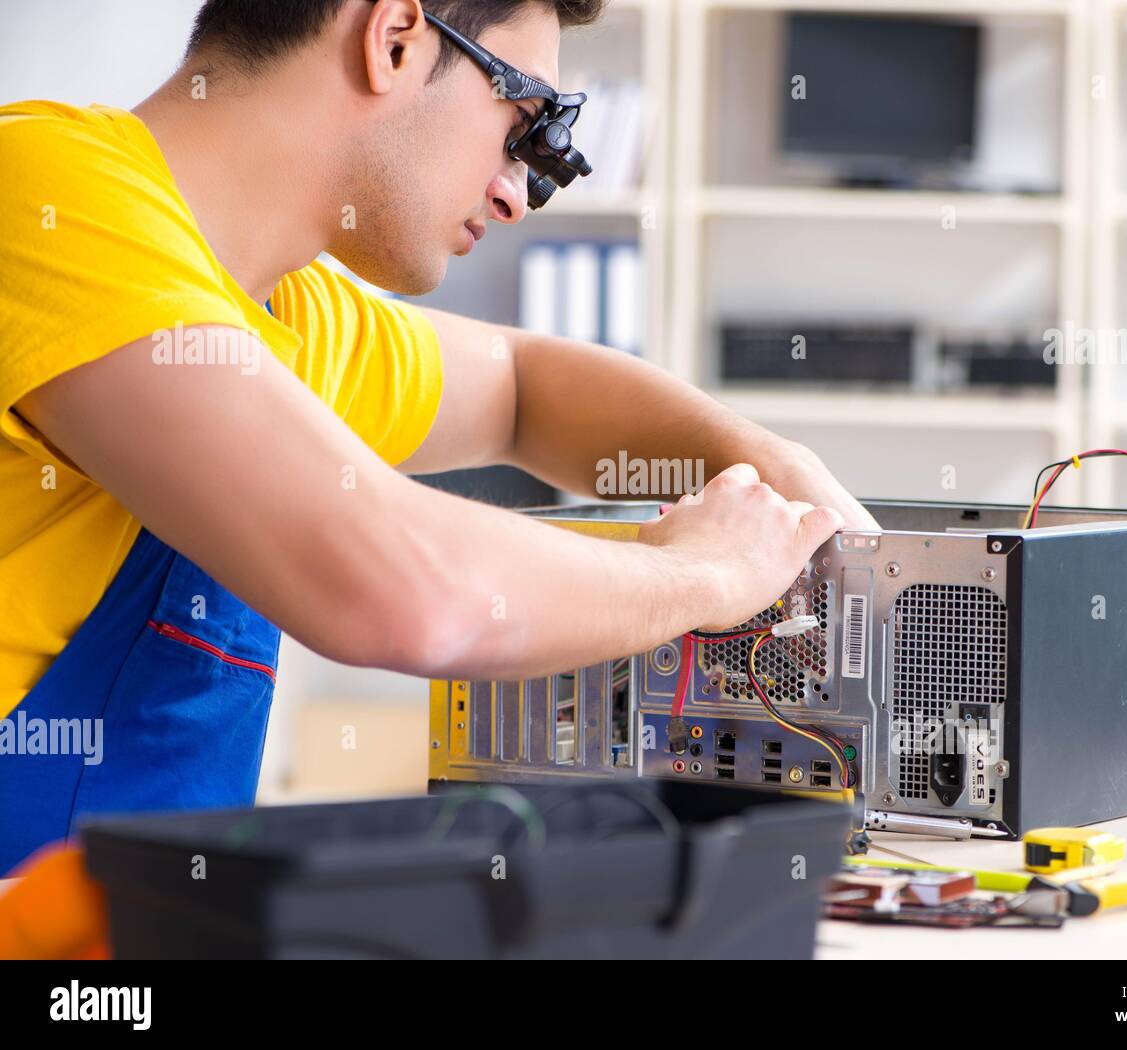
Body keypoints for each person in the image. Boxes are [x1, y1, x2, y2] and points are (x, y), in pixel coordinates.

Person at [0, 0, 878, 870]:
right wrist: (709, 572)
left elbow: (521, 390)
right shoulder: (41, 192)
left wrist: (775, 466)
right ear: (394, 39)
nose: (514, 194)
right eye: (522, 124)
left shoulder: (280, 313)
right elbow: (399, 589)